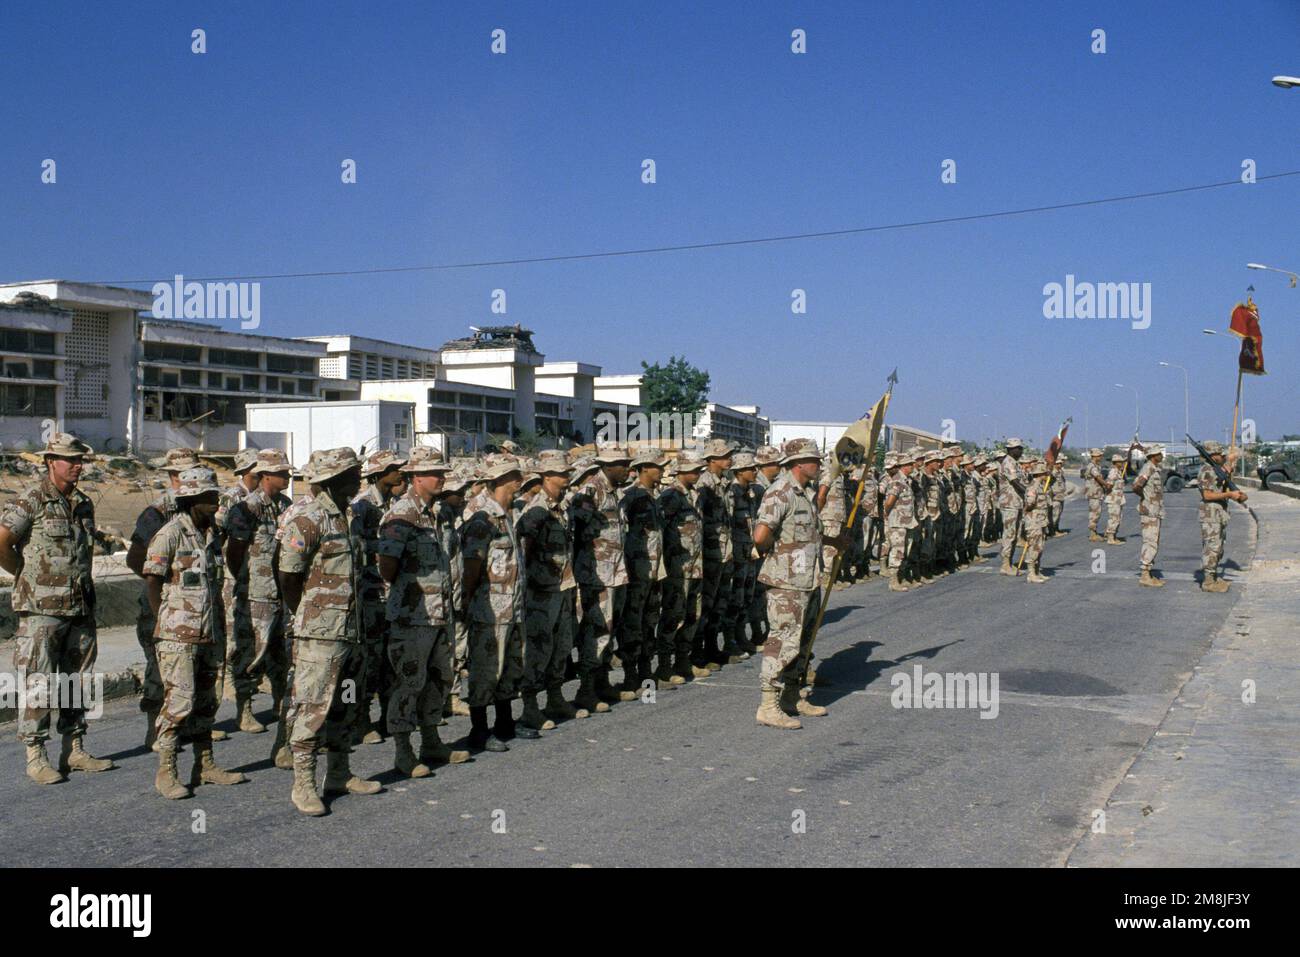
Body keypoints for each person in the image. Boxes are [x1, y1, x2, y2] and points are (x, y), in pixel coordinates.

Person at [0, 433, 114, 784]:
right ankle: (36, 755)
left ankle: (74, 748)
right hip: (41, 610)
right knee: (39, 681)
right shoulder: (32, 500)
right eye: (71, 460)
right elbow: (3, 541)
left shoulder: (83, 503)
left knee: (76, 680)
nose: (78, 466)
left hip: (79, 606)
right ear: (51, 462)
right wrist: (24, 574)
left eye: (81, 461)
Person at [278, 448, 382, 816]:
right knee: (312, 706)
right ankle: (303, 782)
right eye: (352, 475)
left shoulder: (348, 517)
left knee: (346, 703)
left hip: (352, 632)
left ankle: (339, 772)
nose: (358, 481)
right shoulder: (308, 518)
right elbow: (289, 575)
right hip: (319, 636)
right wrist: (307, 616)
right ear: (333, 479)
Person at [143, 467, 247, 798]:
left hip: (210, 632)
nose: (216, 503)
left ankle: (205, 765)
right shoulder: (171, 533)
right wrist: (167, 618)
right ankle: (167, 770)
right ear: (192, 501)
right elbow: (153, 579)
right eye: (209, 498)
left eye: (215, 497)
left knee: (207, 701)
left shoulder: (212, 536)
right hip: (178, 636)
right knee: (179, 702)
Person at [376, 447, 470, 775]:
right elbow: (386, 565)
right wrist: (406, 596)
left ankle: (432, 741)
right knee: (408, 682)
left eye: (443, 472)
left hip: (440, 613)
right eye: (435, 473)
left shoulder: (440, 513)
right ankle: (403, 750)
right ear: (416, 478)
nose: (442, 477)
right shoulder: (403, 515)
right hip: (412, 616)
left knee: (439, 679)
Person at [751, 438, 846, 729]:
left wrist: (834, 540)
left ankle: (792, 695)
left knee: (802, 643)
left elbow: (809, 535)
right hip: (786, 584)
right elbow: (760, 535)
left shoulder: (806, 493)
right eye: (814, 460)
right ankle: (768, 704)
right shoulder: (780, 492)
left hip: (807, 580)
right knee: (782, 642)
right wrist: (778, 555)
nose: (818, 465)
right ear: (798, 464)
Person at [125, 447, 201, 748]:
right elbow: (135, 558)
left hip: (193, 606)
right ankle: (154, 727)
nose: (188, 479)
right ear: (172, 477)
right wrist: (162, 580)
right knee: (159, 666)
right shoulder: (157, 513)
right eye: (182, 474)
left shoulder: (198, 508)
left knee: (190, 667)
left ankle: (187, 725)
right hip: (161, 602)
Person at [460, 456, 530, 751]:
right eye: (515, 474)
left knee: (511, 665)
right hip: (490, 608)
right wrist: (468, 603)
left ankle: (505, 722)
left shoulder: (508, 512)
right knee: (486, 669)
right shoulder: (482, 516)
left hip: (512, 605)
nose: (520, 479)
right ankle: (479, 729)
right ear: (501, 478)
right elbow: (472, 566)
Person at [224, 448, 294, 736]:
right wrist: (245, 581)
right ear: (265, 475)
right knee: (250, 652)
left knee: (281, 653)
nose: (287, 476)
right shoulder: (247, 507)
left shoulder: (286, 505)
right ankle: (245, 708)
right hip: (255, 593)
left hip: (281, 592)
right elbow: (235, 551)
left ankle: (280, 701)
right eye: (281, 473)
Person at [517, 450, 583, 723]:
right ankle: (531, 706)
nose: (567, 476)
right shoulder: (536, 509)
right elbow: (524, 549)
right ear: (546, 476)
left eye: (567, 472)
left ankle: (555, 698)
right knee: (539, 648)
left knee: (561, 645)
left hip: (563, 586)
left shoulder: (561, 506)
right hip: (542, 590)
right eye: (561, 472)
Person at [349, 449, 407, 743]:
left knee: (389, 659)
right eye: (394, 468)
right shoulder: (362, 506)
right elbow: (357, 552)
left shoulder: (395, 503)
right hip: (369, 593)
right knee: (365, 662)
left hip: (390, 593)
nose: (400, 472)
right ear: (379, 472)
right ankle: (357, 717)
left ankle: (388, 715)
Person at [570, 444, 634, 706]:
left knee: (611, 628)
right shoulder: (591, 490)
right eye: (622, 464)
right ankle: (586, 690)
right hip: (597, 574)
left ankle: (602, 682)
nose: (627, 469)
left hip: (616, 572)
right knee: (597, 631)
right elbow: (577, 530)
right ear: (607, 466)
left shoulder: (614, 492)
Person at [657, 452, 707, 683]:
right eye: (694, 470)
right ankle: (665, 666)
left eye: (699, 470)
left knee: (691, 614)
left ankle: (683, 660)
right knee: (672, 616)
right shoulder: (671, 496)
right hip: (677, 568)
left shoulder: (693, 495)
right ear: (681, 470)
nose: (697, 474)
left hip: (695, 566)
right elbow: (661, 534)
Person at [1197, 441, 1247, 592]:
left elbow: (1225, 473)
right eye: (1220, 454)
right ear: (1212, 455)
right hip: (1210, 514)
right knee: (1212, 547)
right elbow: (1207, 495)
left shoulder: (1215, 468)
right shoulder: (1206, 470)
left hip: (1219, 513)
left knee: (1218, 547)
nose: (1222, 456)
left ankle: (1213, 575)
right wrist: (1230, 494)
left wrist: (1231, 461)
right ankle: (1208, 581)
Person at [1131, 446, 1167, 587]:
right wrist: (1144, 498)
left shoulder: (1154, 468)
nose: (1161, 456)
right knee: (1150, 541)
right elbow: (1136, 486)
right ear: (1153, 456)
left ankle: (1148, 572)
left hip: (1155, 511)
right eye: (1159, 453)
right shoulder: (1148, 468)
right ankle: (1145, 575)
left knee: (1153, 541)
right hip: (1150, 511)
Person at [997, 439, 1027, 575]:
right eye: (1017, 448)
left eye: (1021, 448)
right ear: (1010, 450)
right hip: (1009, 504)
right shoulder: (1008, 463)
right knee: (1009, 534)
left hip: (1017, 503)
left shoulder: (1016, 464)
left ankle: (1009, 562)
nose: (1020, 451)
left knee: (1015, 535)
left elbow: (1024, 481)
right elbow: (1015, 483)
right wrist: (1031, 493)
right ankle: (1005, 564)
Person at [1020, 461, 1050, 584]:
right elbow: (1030, 503)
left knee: (1040, 546)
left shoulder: (1040, 486)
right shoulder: (1033, 487)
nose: (1046, 475)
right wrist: (1027, 514)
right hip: (1034, 521)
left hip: (1041, 521)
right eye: (1044, 473)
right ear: (1040, 474)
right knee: (1034, 546)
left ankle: (1037, 571)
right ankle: (1031, 574)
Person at [1083, 449, 1108, 542]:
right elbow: (1098, 478)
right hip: (1094, 494)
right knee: (1094, 513)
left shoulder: (1096, 466)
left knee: (1096, 513)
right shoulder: (1092, 466)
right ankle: (1093, 534)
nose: (1101, 457)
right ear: (1095, 456)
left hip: (1096, 493)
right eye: (1099, 456)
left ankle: (1094, 532)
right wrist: (1106, 485)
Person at [1105, 453, 1126, 545]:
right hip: (1113, 499)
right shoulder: (1113, 472)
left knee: (1118, 518)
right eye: (1120, 462)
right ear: (1115, 462)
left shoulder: (1118, 472)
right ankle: (1110, 538)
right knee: (1114, 518)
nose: (1122, 463)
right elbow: (1108, 485)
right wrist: (1110, 493)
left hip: (1118, 499)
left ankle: (1114, 536)